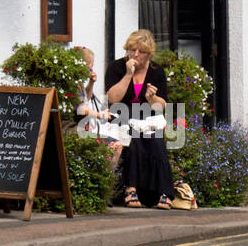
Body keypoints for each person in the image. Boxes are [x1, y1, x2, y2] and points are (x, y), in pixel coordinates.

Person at [103, 29, 175, 209]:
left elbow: (162, 105)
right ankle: (131, 189)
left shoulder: (156, 71)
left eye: (141, 51)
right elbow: (113, 99)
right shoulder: (117, 67)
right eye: (132, 50)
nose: (135, 54)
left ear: (149, 53)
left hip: (146, 115)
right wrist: (128, 74)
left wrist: (152, 99)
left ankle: (164, 192)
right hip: (121, 114)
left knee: (157, 141)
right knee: (132, 137)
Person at [72, 46, 122, 168]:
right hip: (74, 129)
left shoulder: (77, 82)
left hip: (82, 128)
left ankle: (106, 178)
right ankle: (107, 179)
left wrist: (91, 83)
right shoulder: (73, 84)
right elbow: (80, 109)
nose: (92, 69)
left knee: (115, 143)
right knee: (116, 145)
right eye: (91, 65)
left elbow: (86, 99)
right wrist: (101, 115)